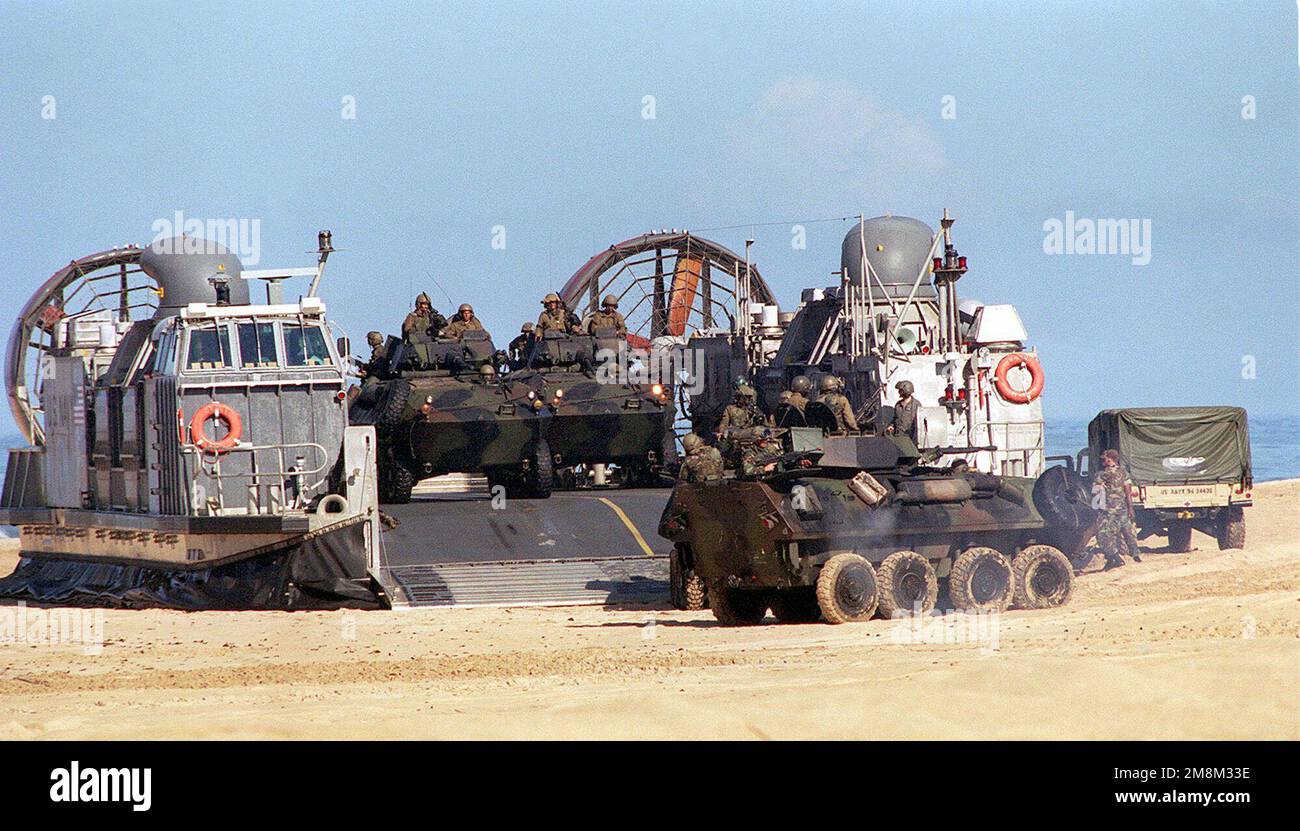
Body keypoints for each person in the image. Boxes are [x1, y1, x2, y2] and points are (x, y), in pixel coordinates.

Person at [1093, 449, 1141, 570]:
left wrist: (1096, 507)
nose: (1103, 461)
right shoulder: (1124, 472)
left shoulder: (1101, 475)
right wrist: (1130, 508)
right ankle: (1135, 554)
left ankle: (1115, 558)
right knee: (1128, 531)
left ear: (1110, 459)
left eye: (1104, 459)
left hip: (1108, 511)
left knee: (1104, 534)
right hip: (1123, 508)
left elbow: (1095, 493)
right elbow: (1128, 492)